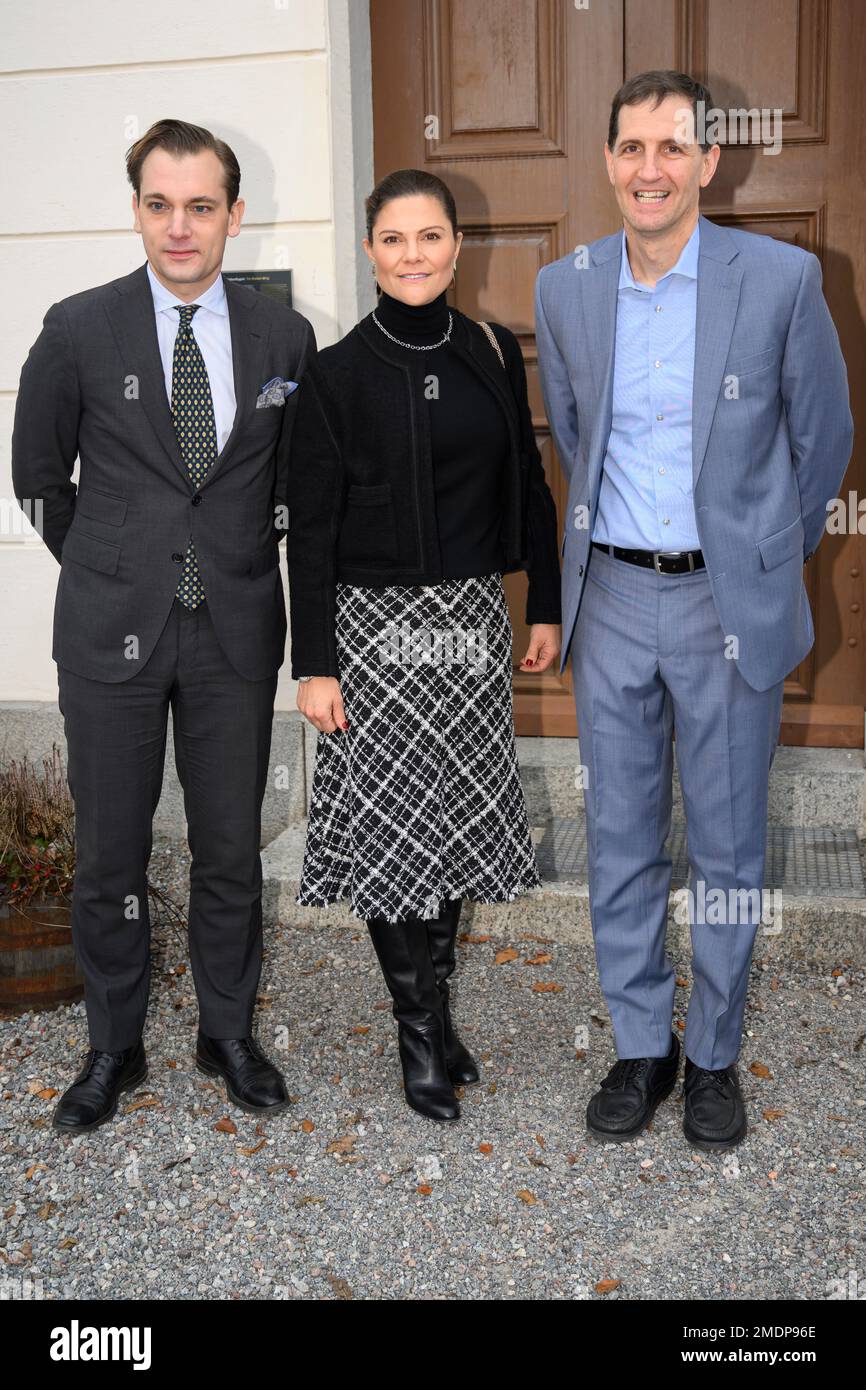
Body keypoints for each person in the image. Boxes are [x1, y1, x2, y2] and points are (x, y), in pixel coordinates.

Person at [535, 71, 852, 1151]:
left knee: (724, 848)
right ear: (608, 160)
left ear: (708, 161)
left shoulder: (781, 279)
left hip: (725, 601)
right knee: (618, 838)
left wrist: (766, 553)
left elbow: (822, 437)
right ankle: (640, 1045)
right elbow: (573, 438)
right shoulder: (562, 288)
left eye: (672, 148)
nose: (649, 169)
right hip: (614, 596)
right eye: (630, 148)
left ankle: (711, 1052)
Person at [11, 119, 316, 1132]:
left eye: (199, 206)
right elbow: (39, 477)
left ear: (233, 212)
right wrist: (110, 570)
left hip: (232, 631)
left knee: (229, 849)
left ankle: (226, 1032)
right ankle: (114, 1044)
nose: (178, 228)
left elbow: (289, 485)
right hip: (113, 635)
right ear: (136, 207)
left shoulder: (283, 338)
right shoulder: (78, 327)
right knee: (110, 852)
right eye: (158, 204)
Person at [286, 168, 562, 1122]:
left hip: (475, 623)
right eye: (394, 239)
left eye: (431, 237)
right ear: (370, 250)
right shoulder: (334, 374)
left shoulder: (489, 347)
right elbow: (310, 529)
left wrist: (544, 605)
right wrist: (313, 663)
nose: (414, 256)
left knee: (450, 825)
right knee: (398, 833)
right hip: (373, 631)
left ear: (456, 245)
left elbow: (527, 481)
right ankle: (416, 1032)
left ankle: (439, 1015)